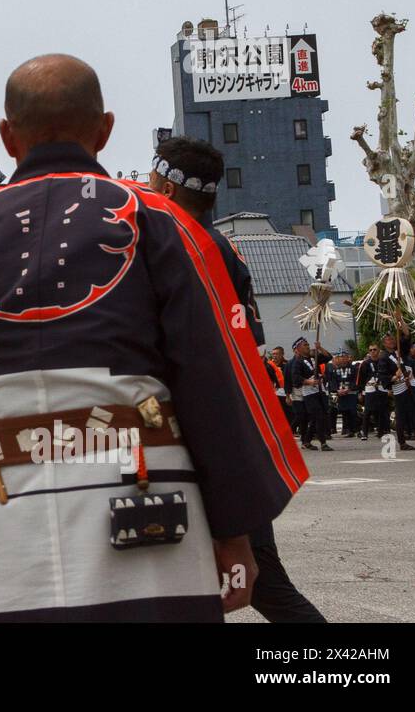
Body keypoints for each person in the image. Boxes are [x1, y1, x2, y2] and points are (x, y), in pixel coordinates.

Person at [0, 53, 308, 621]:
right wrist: (236, 526)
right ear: (105, 130)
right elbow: (211, 373)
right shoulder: (158, 222)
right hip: (146, 479)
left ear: (7, 137)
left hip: (8, 489)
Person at [147, 137, 324, 622]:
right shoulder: (223, 249)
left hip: (210, 435)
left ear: (163, 184)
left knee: (260, 581)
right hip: (236, 429)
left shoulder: (182, 247)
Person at [289, 338, 333, 451]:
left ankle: (307, 441)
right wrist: (309, 381)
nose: (308, 347)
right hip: (309, 393)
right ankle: (323, 443)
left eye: (308, 345)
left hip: (320, 390)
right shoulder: (297, 362)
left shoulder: (314, 357)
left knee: (319, 417)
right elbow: (296, 378)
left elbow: (329, 357)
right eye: (305, 345)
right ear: (298, 348)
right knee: (318, 416)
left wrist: (319, 348)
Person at [325, 350, 359, 437]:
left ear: (348, 358)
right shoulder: (335, 370)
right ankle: (348, 430)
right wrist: (336, 390)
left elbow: (356, 380)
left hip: (351, 392)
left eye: (345, 357)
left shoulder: (353, 368)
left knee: (353, 411)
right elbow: (332, 381)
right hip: (340, 393)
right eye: (341, 357)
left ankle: (356, 429)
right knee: (344, 411)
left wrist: (350, 388)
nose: (343, 359)